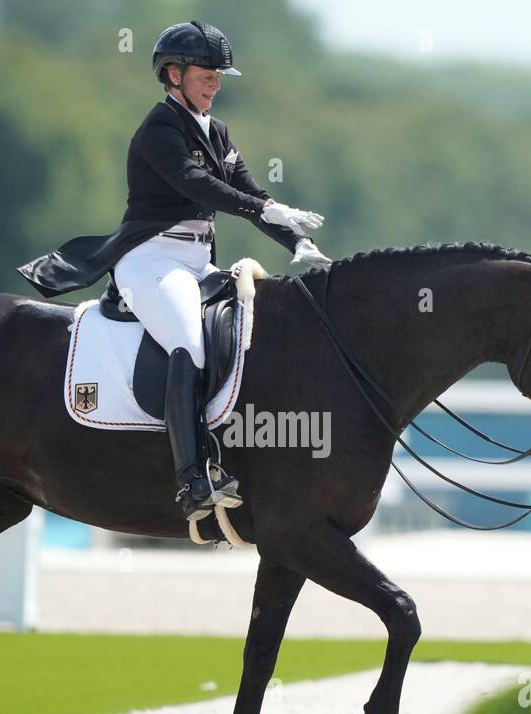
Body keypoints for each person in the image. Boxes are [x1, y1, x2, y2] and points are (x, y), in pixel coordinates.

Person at [17, 20, 331, 522]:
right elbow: (199, 186)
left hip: (198, 263)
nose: (217, 84)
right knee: (188, 339)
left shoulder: (216, 131)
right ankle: (193, 477)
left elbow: (253, 193)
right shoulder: (160, 129)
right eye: (207, 74)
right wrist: (264, 209)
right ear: (173, 74)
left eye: (219, 75)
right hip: (150, 262)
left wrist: (300, 241)